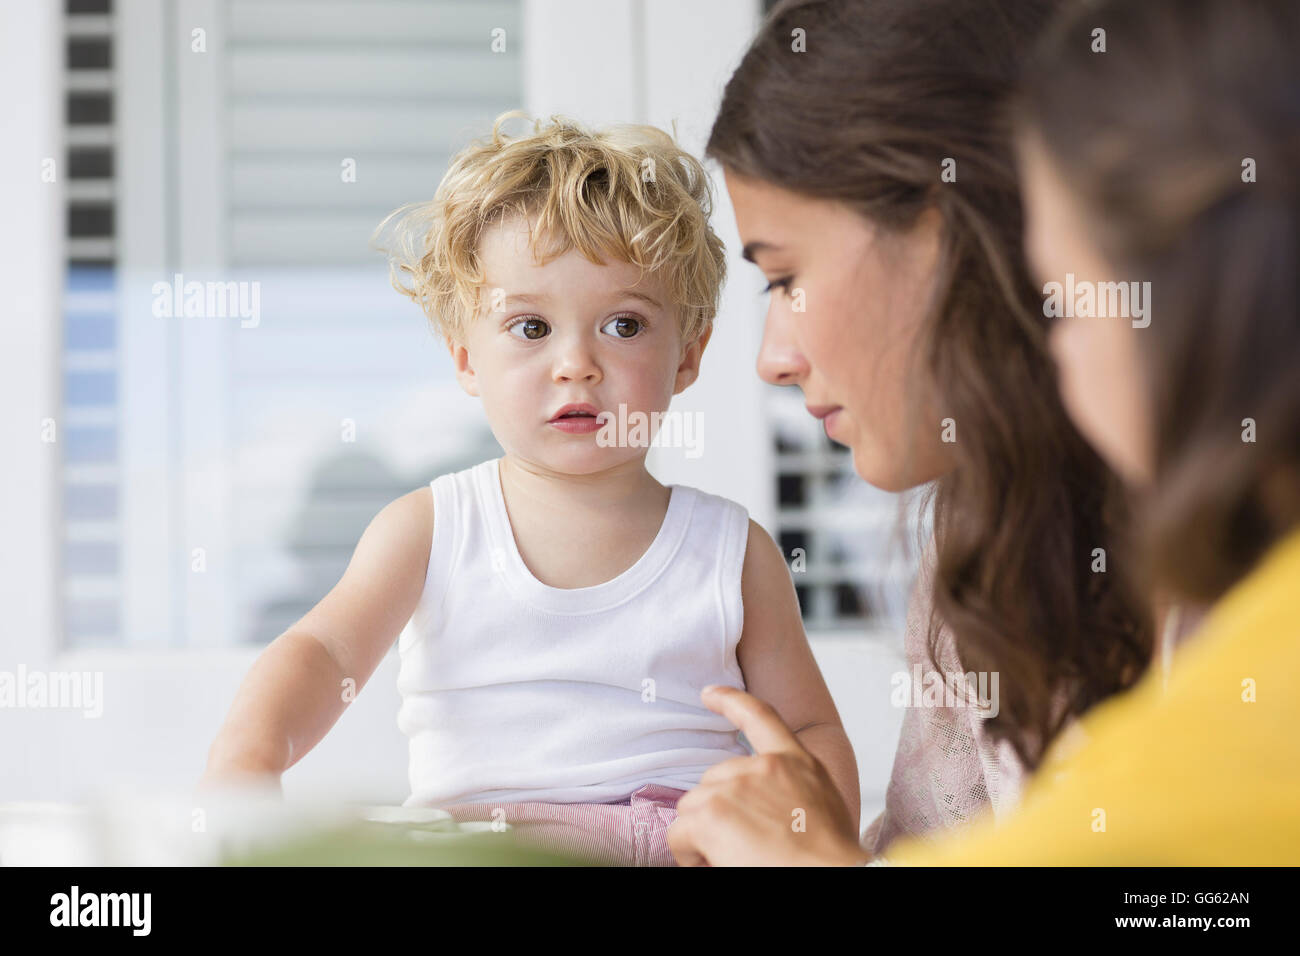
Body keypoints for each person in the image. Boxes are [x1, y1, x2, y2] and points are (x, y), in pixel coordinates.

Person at [669, 0, 1300, 865]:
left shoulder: (1257, 567)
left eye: (785, 276)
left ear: (952, 231)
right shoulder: (982, 554)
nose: (773, 358)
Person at [200, 112, 859, 867]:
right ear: (466, 360)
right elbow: (320, 651)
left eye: (622, 324)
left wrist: (812, 837)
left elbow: (808, 735)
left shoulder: (733, 553)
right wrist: (246, 758)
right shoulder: (432, 529)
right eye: (531, 328)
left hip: (684, 846)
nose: (576, 363)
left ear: (688, 354)